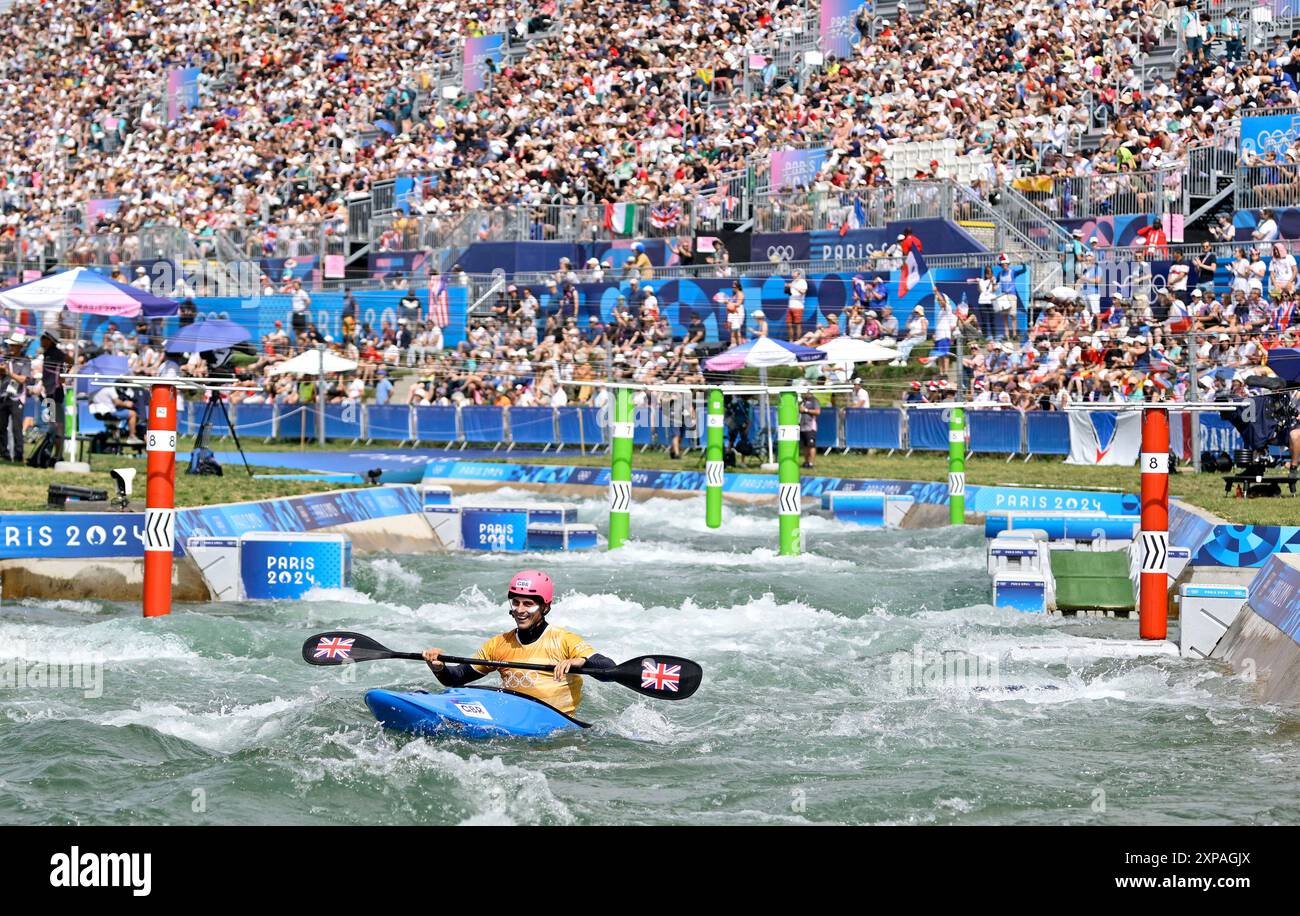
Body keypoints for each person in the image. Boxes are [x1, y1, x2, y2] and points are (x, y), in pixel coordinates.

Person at [421, 571, 616, 716]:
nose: (520, 610)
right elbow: (457, 678)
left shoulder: (564, 640)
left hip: (557, 729)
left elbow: (609, 670)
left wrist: (579, 662)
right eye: (516, 602)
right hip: (511, 717)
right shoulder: (500, 643)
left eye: (528, 604)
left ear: (545, 607)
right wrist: (439, 668)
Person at [0, 330, 31, 462]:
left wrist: (8, 372)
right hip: (3, 395)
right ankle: (3, 453)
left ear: (20, 347)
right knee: (1, 427)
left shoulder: (25, 361)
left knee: (16, 428)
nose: (11, 348)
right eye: (10, 345)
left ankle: (19, 455)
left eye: (13, 345)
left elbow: (23, 379)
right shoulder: (4, 358)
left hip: (16, 397)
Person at [39, 330, 67, 458]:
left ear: (50, 340)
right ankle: (55, 454)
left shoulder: (56, 353)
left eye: (44, 338)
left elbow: (70, 360)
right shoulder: (48, 353)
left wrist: (64, 375)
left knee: (58, 424)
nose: (41, 340)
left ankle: (58, 455)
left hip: (56, 393)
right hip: (50, 393)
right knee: (53, 424)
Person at [798, 390, 821, 469]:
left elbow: (818, 412)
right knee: (805, 446)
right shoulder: (802, 402)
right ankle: (806, 462)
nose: (803, 394)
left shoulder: (814, 401)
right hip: (802, 427)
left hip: (810, 427)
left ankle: (811, 463)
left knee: (811, 446)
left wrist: (806, 410)